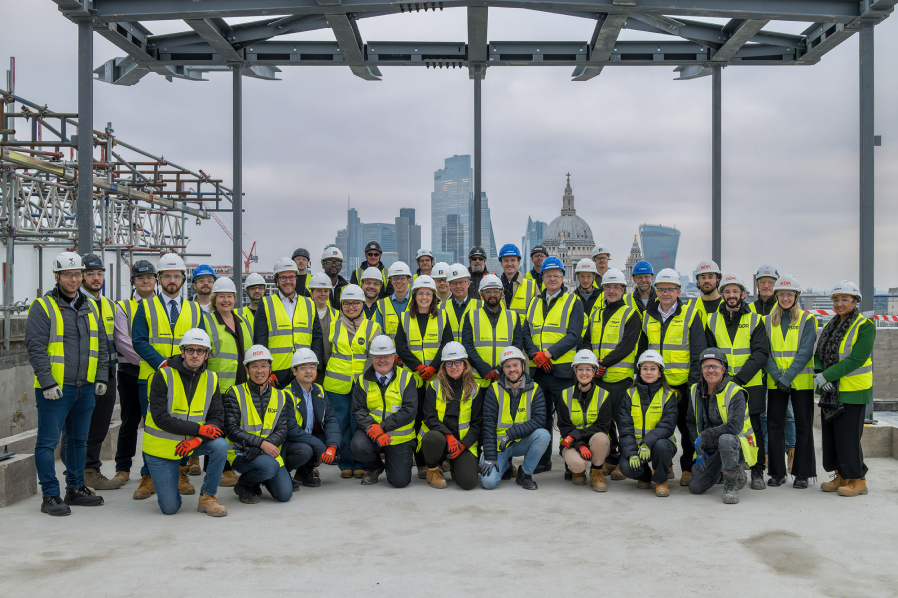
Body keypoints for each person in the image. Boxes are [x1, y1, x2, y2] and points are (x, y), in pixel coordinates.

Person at [25, 252, 109, 516]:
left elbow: (102, 346)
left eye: (77, 274)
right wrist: (48, 382)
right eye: (68, 274)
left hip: (84, 386)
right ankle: (50, 495)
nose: (73, 279)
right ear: (57, 277)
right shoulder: (43, 306)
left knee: (78, 441)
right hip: (56, 389)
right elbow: (36, 347)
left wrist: (101, 377)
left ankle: (75, 487)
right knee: (47, 443)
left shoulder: (91, 306)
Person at [131, 252, 205, 500]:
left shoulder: (194, 309)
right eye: (167, 276)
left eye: (176, 276)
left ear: (183, 279)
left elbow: (202, 343)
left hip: (186, 379)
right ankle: (148, 475)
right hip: (153, 378)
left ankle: (181, 472)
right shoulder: (145, 306)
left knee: (182, 425)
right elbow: (139, 341)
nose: (172, 280)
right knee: (151, 428)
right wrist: (163, 364)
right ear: (159, 279)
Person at [141, 329, 228, 516]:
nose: (195, 355)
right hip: (162, 449)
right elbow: (161, 419)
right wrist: (199, 429)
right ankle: (170, 476)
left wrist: (197, 439)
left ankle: (207, 497)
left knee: (220, 445)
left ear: (206, 355)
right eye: (190, 350)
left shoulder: (211, 379)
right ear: (182, 352)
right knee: (170, 508)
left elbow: (217, 417)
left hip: (190, 444)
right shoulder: (162, 376)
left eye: (200, 351)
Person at [57, 253, 120, 491]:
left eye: (99, 273)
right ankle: (75, 473)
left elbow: (116, 341)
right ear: (81, 276)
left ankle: (91, 470)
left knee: (99, 426)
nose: (96, 278)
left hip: (107, 374)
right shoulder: (73, 302)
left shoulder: (110, 305)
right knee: (74, 427)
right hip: (81, 376)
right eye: (90, 273)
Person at [638, 268, 706, 486]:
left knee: (687, 430)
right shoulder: (648, 315)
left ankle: (687, 468)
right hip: (656, 384)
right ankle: (663, 465)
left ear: (678, 291)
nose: (665, 293)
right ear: (655, 291)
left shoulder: (691, 314)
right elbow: (642, 348)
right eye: (661, 289)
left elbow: (698, 352)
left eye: (670, 289)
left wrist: (695, 384)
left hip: (683, 384)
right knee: (657, 427)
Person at [705, 272, 770, 490]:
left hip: (749, 384)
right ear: (721, 294)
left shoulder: (755, 320)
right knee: (722, 427)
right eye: (727, 291)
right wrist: (723, 380)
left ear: (743, 294)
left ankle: (758, 470)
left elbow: (760, 353)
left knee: (754, 429)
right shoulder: (712, 320)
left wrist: (738, 379)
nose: (731, 295)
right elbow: (709, 352)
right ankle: (728, 470)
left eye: (735, 291)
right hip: (721, 386)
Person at [523, 257, 584, 473]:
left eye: (556, 275)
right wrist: (534, 354)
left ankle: (571, 462)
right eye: (548, 275)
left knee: (567, 418)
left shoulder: (573, 301)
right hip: (539, 372)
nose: (552, 279)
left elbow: (574, 335)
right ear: (542, 278)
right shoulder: (534, 302)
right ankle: (543, 460)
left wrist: (548, 354)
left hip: (563, 372)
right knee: (541, 418)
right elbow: (526, 332)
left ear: (562, 277)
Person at [815, 280, 875, 497]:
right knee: (833, 437)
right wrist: (819, 372)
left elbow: (857, 359)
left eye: (845, 299)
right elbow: (819, 353)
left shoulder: (864, 325)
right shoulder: (831, 325)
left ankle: (858, 480)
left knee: (848, 438)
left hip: (853, 391)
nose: (839, 304)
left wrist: (826, 376)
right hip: (831, 391)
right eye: (836, 299)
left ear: (855, 301)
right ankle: (841, 475)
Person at [584, 267, 640, 481]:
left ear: (623, 290)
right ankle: (611, 458)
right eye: (608, 287)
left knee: (622, 421)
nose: (612, 291)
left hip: (619, 378)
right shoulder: (596, 313)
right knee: (604, 423)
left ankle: (623, 460)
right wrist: (591, 363)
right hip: (598, 377)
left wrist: (603, 363)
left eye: (616, 287)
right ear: (603, 289)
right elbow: (587, 339)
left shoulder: (630, 314)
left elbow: (627, 345)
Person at [395, 275, 454, 478]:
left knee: (436, 418)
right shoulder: (405, 317)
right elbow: (401, 347)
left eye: (428, 293)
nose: (424, 297)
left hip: (437, 379)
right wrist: (420, 367)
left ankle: (438, 459)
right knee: (416, 420)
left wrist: (433, 367)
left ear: (434, 296)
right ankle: (420, 463)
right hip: (413, 379)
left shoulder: (442, 317)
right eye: (421, 293)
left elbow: (447, 345)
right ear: (415, 296)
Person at [762, 274, 817, 488]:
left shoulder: (807, 319)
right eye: (782, 294)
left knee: (803, 426)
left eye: (789, 294)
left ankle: (802, 474)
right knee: (775, 425)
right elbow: (764, 351)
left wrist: (786, 377)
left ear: (796, 296)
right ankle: (776, 472)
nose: (785, 298)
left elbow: (805, 352)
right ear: (777, 296)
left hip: (800, 382)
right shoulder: (767, 321)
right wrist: (777, 377)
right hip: (776, 382)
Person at [323, 284, 382, 479]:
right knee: (340, 423)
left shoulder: (373, 327)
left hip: (362, 385)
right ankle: (345, 463)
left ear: (363, 304)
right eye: (347, 303)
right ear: (341, 305)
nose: (351, 307)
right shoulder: (333, 325)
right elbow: (326, 353)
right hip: (336, 385)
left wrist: (362, 380)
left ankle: (361, 462)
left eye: (355, 303)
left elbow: (372, 357)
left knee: (359, 423)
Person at [687, 348, 757, 504]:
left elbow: (734, 426)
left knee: (725, 439)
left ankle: (732, 481)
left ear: (723, 370)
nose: (710, 370)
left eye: (715, 366)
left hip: (734, 443)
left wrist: (704, 436)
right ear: (702, 369)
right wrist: (698, 447)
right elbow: (691, 422)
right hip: (710, 444)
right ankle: (721, 470)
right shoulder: (695, 390)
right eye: (706, 366)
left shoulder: (735, 392)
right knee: (695, 487)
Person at [224, 346, 293, 504]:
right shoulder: (234, 393)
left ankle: (257, 478)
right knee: (268, 467)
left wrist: (263, 447)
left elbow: (282, 429)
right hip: (242, 452)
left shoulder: (281, 396)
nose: (259, 371)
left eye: (263, 366)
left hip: (268, 454)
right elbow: (231, 430)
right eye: (254, 366)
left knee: (285, 495)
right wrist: (260, 444)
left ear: (270, 368)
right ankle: (245, 484)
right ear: (247, 369)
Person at [350, 335, 417, 487]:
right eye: (377, 357)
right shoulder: (362, 380)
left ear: (394, 357)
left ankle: (394, 464)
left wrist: (382, 428)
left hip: (398, 438)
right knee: (357, 446)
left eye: (386, 356)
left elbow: (409, 410)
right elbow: (358, 410)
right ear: (372, 358)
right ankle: (375, 467)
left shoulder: (407, 378)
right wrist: (373, 429)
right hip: (373, 435)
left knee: (399, 482)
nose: (382, 361)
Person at [203, 276, 251, 486]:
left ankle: (230, 467)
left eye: (229, 296)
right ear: (215, 299)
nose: (226, 301)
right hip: (218, 387)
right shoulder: (208, 322)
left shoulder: (243, 322)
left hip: (241, 386)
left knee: (235, 428)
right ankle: (218, 470)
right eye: (221, 296)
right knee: (217, 429)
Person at [480, 346, 549, 490]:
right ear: (503, 369)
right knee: (488, 483)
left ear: (523, 366)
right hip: (500, 446)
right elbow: (488, 426)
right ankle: (504, 465)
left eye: (516, 365)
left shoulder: (535, 389)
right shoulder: (493, 390)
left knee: (543, 435)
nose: (512, 369)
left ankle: (525, 474)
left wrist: (511, 434)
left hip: (521, 442)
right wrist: (490, 457)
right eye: (507, 366)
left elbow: (539, 420)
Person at [114, 259, 157, 487]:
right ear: (133, 282)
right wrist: (149, 362)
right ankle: (123, 468)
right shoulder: (124, 306)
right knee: (130, 421)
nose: (145, 281)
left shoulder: (163, 305)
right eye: (141, 278)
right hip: (132, 372)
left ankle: (152, 471)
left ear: (155, 280)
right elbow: (122, 341)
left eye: (149, 277)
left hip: (159, 374)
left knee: (156, 423)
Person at [417, 342, 483, 490]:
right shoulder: (434, 386)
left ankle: (455, 465)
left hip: (462, 443)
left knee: (468, 483)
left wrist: (463, 445)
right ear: (444, 366)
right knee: (432, 437)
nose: (454, 366)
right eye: (449, 363)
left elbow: (477, 424)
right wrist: (448, 436)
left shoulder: (475, 389)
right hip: (439, 441)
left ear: (465, 364)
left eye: (458, 362)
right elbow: (429, 417)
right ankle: (433, 470)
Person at [751, 264, 796, 470]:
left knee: (787, 413)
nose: (767, 286)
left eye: (771, 282)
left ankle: (791, 449)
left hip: (781, 370)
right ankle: (766, 452)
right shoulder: (750, 309)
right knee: (761, 413)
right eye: (763, 282)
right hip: (759, 370)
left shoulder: (786, 307)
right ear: (757, 285)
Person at [253, 257, 323, 389]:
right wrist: (265, 370)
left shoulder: (309, 304)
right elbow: (260, 341)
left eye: (291, 277)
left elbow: (317, 339)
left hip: (304, 370)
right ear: (276, 280)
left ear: (296, 279)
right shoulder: (266, 304)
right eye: (283, 278)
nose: (288, 281)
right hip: (277, 373)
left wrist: (316, 369)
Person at [618, 351, 678, 497]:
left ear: (659, 373)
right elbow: (625, 429)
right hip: (637, 446)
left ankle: (661, 479)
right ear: (639, 372)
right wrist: (632, 453)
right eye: (645, 368)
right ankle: (645, 477)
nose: (648, 372)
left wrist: (647, 443)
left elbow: (667, 426)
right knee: (626, 467)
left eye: (653, 368)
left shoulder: (669, 395)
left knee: (662, 446)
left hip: (660, 444)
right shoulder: (629, 394)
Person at [283, 348, 342, 489]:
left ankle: (304, 472)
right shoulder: (286, 394)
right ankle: (284, 473)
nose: (309, 371)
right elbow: (290, 429)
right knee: (305, 450)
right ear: (294, 371)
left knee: (337, 440)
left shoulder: (319, 390)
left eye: (312, 366)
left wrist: (332, 447)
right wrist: (320, 447)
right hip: (290, 442)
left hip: (309, 437)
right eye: (303, 367)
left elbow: (331, 419)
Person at [556, 350, 613, 491]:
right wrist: (579, 444)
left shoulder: (604, 395)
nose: (584, 373)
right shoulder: (564, 395)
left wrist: (577, 436)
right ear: (575, 371)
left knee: (601, 438)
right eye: (580, 369)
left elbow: (603, 426)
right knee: (578, 464)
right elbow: (564, 427)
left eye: (588, 369)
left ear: (594, 371)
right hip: (571, 442)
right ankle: (579, 472)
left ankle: (597, 471)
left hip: (595, 442)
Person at [461, 274, 524, 389]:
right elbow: (467, 345)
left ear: (501, 293)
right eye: (488, 292)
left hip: (505, 377)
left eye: (495, 291)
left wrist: (500, 369)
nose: (492, 295)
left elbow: (517, 346)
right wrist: (483, 369)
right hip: (478, 379)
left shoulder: (513, 316)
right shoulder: (471, 316)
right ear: (482, 294)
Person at [497, 244, 538, 325]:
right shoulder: (495, 286)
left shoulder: (532, 286)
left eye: (513, 260)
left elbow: (538, 315)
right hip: (500, 335)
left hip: (523, 335)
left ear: (518, 262)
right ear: (501, 263)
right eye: (506, 260)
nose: (509, 263)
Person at [307, 271, 339, 368]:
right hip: (310, 363)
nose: (323, 294)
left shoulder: (337, 314)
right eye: (319, 291)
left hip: (330, 364)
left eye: (326, 291)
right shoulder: (305, 313)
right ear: (312, 293)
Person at [442, 264, 481, 342]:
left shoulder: (480, 306)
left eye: (461, 282)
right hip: (449, 352)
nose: (458, 286)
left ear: (468, 283)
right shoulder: (440, 307)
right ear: (449, 285)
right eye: (454, 283)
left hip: (472, 352)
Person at [375, 261, 412, 339]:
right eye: (395, 278)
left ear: (409, 280)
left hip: (411, 351)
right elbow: (379, 333)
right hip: (388, 350)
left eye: (402, 278)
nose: (398, 281)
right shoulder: (381, 305)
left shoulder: (417, 303)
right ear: (391, 281)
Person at [689, 260, 722, 328]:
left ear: (718, 280)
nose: (707, 281)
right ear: (698, 282)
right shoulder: (690, 306)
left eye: (710, 277)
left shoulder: (727, 304)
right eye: (703, 277)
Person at [239, 272, 267, 337]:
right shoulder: (238, 314)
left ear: (265, 290)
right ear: (247, 292)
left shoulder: (273, 312)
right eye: (253, 288)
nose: (257, 291)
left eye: (260, 288)